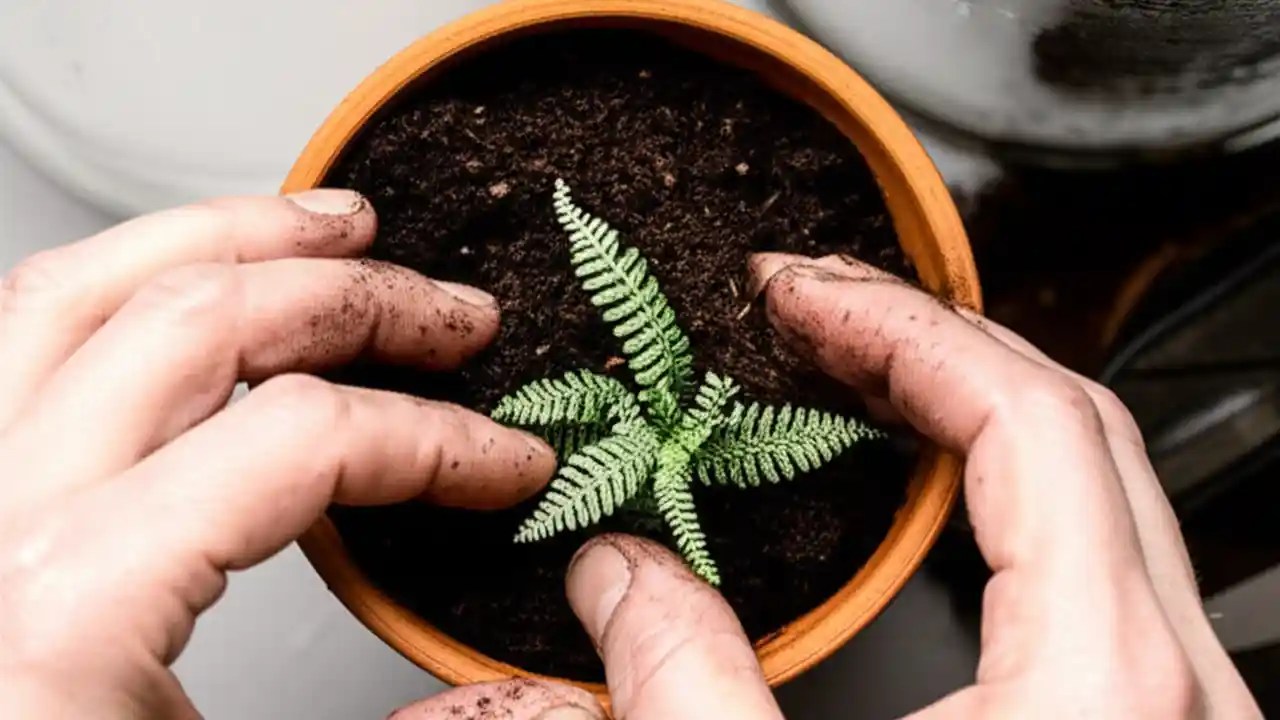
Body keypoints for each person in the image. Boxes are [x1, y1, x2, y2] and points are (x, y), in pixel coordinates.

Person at [0, 191, 1260, 720]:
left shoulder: (709, 433)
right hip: (663, 427)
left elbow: (703, 444)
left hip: (685, 429)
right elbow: (629, 383)